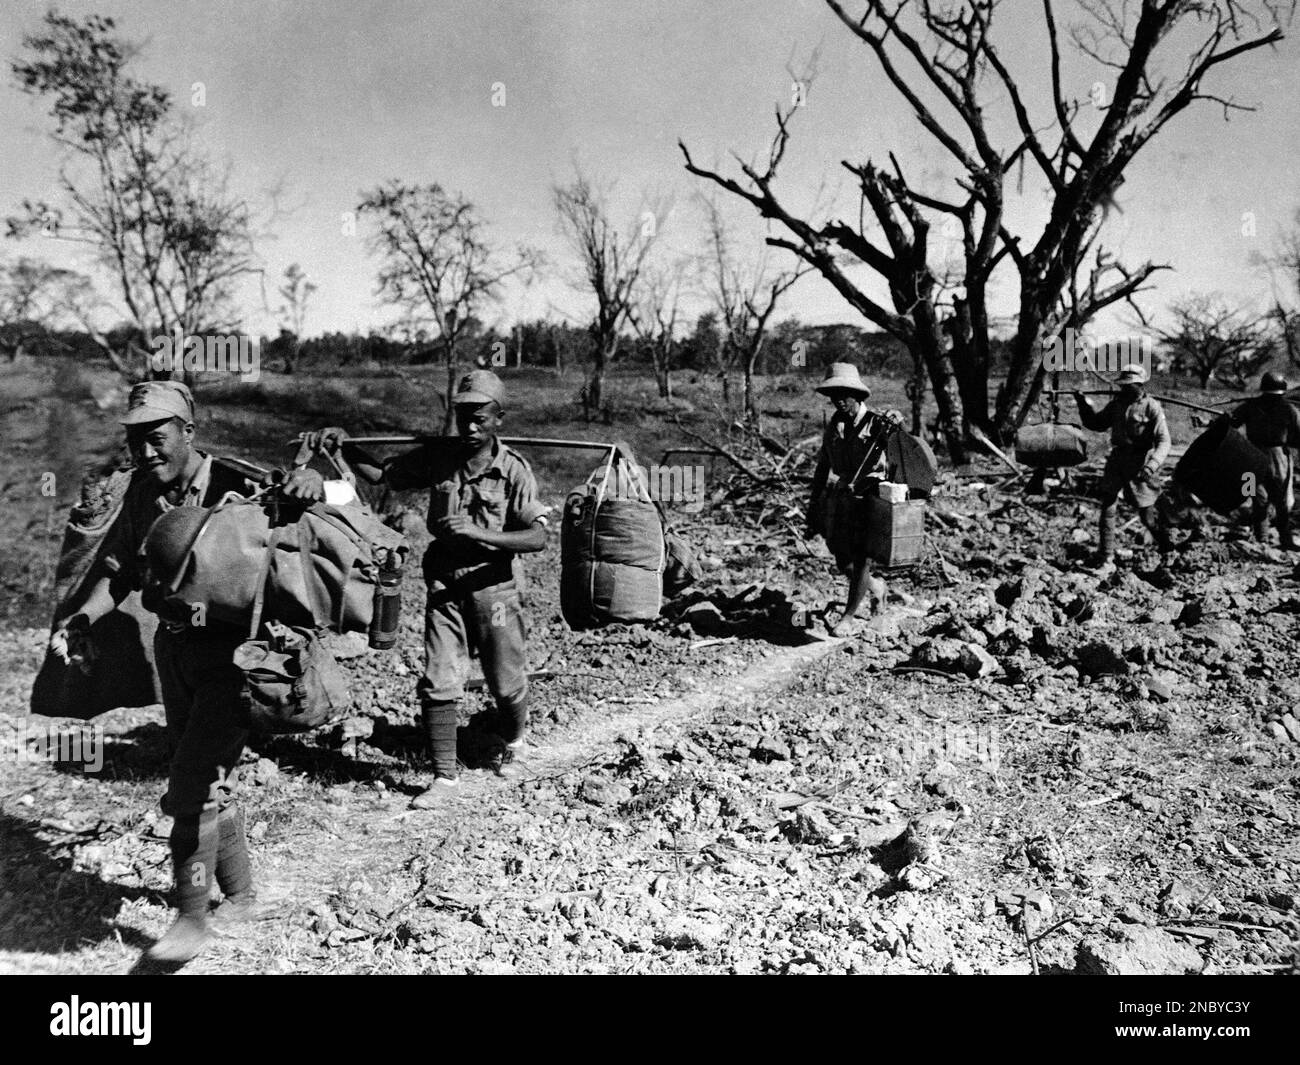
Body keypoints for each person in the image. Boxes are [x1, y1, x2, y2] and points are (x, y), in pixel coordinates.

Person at [48, 380, 324, 964]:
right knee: (205, 777)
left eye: (157, 439)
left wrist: (320, 483)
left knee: (191, 783)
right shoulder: (143, 494)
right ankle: (242, 894)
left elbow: (345, 506)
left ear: (188, 432)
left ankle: (191, 919)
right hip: (175, 652)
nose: (146, 453)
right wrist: (83, 620)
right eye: (136, 442)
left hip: (233, 658)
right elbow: (117, 571)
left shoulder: (237, 482)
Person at [311, 370, 548, 807]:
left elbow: (537, 537)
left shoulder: (514, 470)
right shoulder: (441, 458)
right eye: (463, 417)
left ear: (499, 418)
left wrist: (481, 533)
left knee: (505, 680)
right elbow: (383, 475)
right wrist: (344, 447)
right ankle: (444, 779)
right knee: (439, 676)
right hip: (444, 584)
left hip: (493, 586)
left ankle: (514, 740)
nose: (470, 427)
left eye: (480, 418)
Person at [806, 362, 901, 635]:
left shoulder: (878, 423)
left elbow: (902, 444)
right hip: (842, 497)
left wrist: (897, 423)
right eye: (833, 395)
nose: (838, 401)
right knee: (842, 559)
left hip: (870, 497)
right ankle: (875, 587)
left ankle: (848, 618)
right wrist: (814, 503)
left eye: (843, 395)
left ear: (857, 395)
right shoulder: (835, 425)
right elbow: (823, 465)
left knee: (862, 557)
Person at [1073, 363, 1172, 565]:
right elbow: (1097, 423)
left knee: (1147, 515)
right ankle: (1105, 555)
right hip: (1117, 459)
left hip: (1140, 464)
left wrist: (1152, 464)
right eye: (1123, 385)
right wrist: (1082, 403)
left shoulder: (1151, 406)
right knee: (1108, 506)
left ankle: (1166, 544)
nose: (1125, 389)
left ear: (1140, 385)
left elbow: (1164, 440)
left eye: (1130, 386)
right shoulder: (1117, 404)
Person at [1226, 371, 1300, 550]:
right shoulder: (1286, 409)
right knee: (1261, 497)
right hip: (1268, 457)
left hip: (1263, 455)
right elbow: (1231, 422)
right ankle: (1267, 538)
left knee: (1270, 500)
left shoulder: (1255, 406)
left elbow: (1231, 422)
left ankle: (1274, 538)